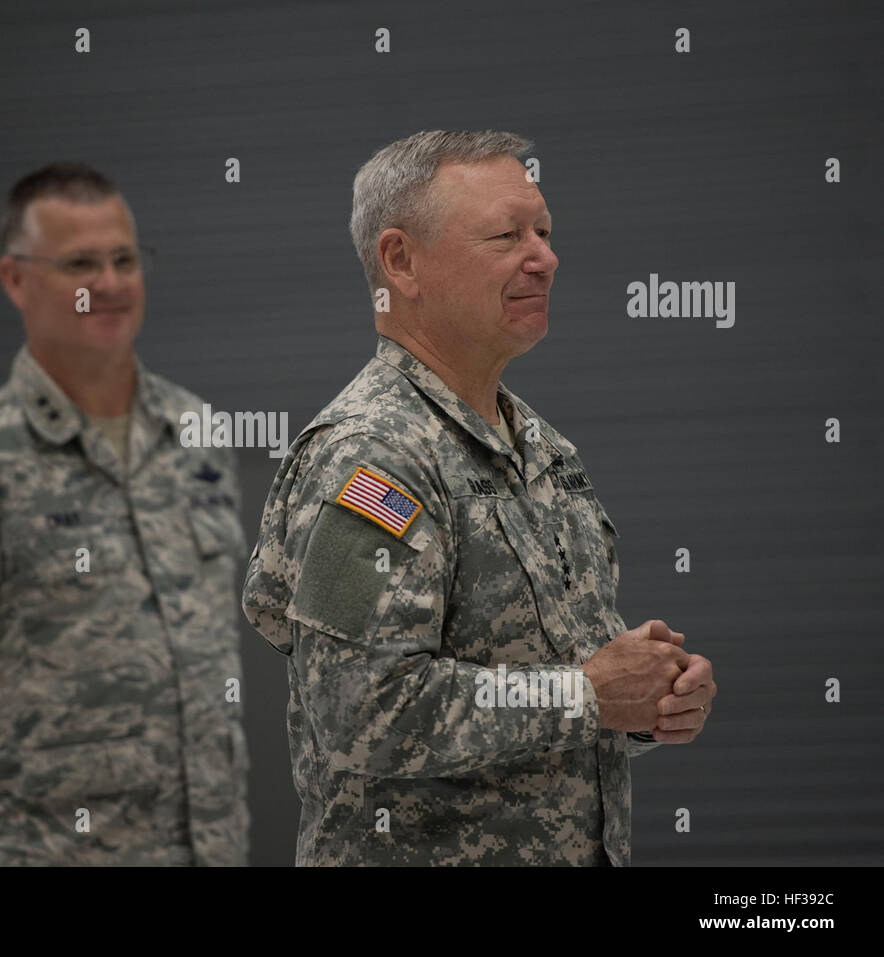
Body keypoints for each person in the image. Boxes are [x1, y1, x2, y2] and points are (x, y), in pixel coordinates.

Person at [241, 130, 717, 866]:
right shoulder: (368, 458)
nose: (545, 257)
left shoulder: (543, 449)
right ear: (401, 262)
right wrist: (588, 694)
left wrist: (645, 700)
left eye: (545, 232)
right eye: (505, 235)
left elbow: (554, 681)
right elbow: (359, 708)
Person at [0, 162, 250, 866]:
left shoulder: (199, 435)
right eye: (79, 263)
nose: (110, 283)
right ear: (15, 279)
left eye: (124, 259)